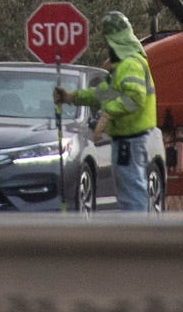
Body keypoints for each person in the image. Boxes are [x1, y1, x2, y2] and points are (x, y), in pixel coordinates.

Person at [60, 11, 161, 213]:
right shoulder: (125, 65)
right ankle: (134, 233)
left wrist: (107, 114)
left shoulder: (130, 64)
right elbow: (103, 92)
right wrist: (73, 97)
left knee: (131, 189)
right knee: (129, 188)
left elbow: (134, 98)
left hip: (130, 139)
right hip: (129, 138)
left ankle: (135, 235)